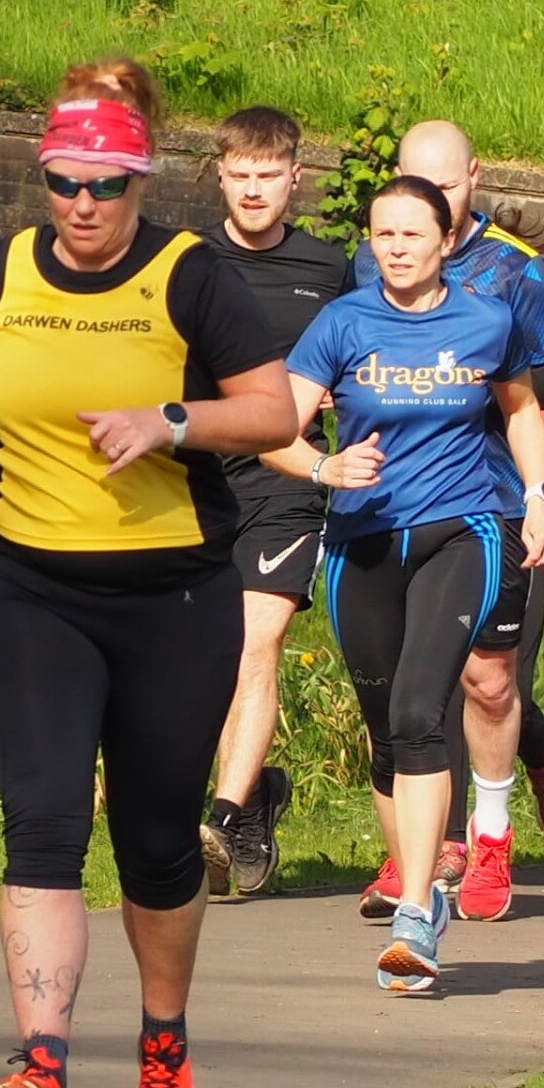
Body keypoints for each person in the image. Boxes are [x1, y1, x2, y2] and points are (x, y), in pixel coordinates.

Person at [0, 58, 295, 1088]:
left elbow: (269, 410)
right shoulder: (0, 270)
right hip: (29, 587)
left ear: (141, 182)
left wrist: (172, 420)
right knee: (42, 822)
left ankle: (165, 1042)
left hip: (173, 594)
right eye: (63, 183)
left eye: (106, 186)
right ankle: (40, 1068)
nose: (83, 206)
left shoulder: (190, 277)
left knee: (156, 842)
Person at [274, 176, 544, 990]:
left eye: (412, 234)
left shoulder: (485, 317)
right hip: (363, 541)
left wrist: (537, 501)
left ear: (446, 240)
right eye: (382, 235)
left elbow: (519, 410)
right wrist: (325, 465)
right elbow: (276, 428)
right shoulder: (342, 322)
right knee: (384, 732)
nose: (395, 247)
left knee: (416, 709)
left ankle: (416, 909)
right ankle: (416, 879)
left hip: (463, 529)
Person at [351, 120, 544, 923]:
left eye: (448, 189)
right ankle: (422, 850)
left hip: (491, 497)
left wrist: (466, 370)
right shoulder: (375, 257)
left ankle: (490, 838)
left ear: (475, 180)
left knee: (488, 678)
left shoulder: (515, 270)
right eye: (416, 187)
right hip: (392, 506)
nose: (432, 208)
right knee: (415, 680)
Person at [197, 106, 352, 896]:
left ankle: (219, 821)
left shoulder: (333, 270)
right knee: (207, 659)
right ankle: (257, 797)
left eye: (269, 176)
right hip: (194, 481)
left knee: (257, 646)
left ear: (296, 178)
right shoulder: (183, 261)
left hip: (291, 482)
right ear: (218, 174)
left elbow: (371, 360)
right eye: (240, 174)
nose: (254, 190)